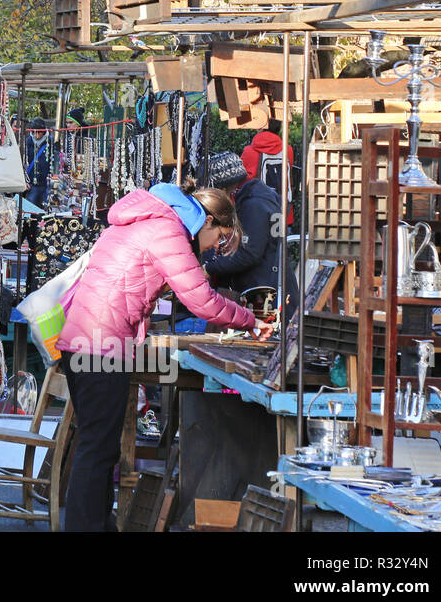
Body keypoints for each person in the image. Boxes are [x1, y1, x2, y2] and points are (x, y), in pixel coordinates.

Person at [56, 181, 267, 531]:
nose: (215, 247)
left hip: (85, 339)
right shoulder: (169, 230)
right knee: (97, 450)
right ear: (209, 221)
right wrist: (250, 320)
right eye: (220, 237)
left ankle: (96, 524)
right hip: (101, 344)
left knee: (98, 447)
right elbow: (200, 301)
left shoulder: (146, 218)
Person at [204, 151, 300, 317]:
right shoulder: (257, 198)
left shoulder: (254, 205)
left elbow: (248, 254)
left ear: (224, 189)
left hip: (265, 296)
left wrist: (209, 268)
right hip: (266, 289)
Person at [243, 118, 296, 226]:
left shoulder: (249, 151)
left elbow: (243, 182)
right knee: (280, 242)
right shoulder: (288, 150)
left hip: (256, 214)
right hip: (282, 213)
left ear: (260, 127)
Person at [24, 117, 51, 208]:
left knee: (45, 208)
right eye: (33, 132)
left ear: (43, 132)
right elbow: (24, 160)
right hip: (32, 182)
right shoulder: (28, 141)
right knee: (30, 208)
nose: (36, 135)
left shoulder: (50, 142)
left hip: (46, 182)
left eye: (38, 132)